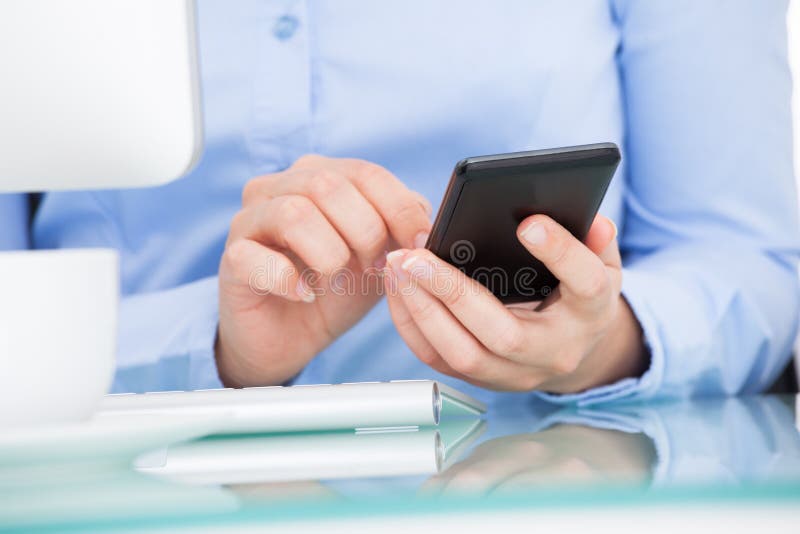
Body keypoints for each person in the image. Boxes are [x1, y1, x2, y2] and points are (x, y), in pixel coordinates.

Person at [0, 0, 796, 405]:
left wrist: (600, 344)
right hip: (114, 480)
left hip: (538, 486)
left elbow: (748, 256)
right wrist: (214, 348)